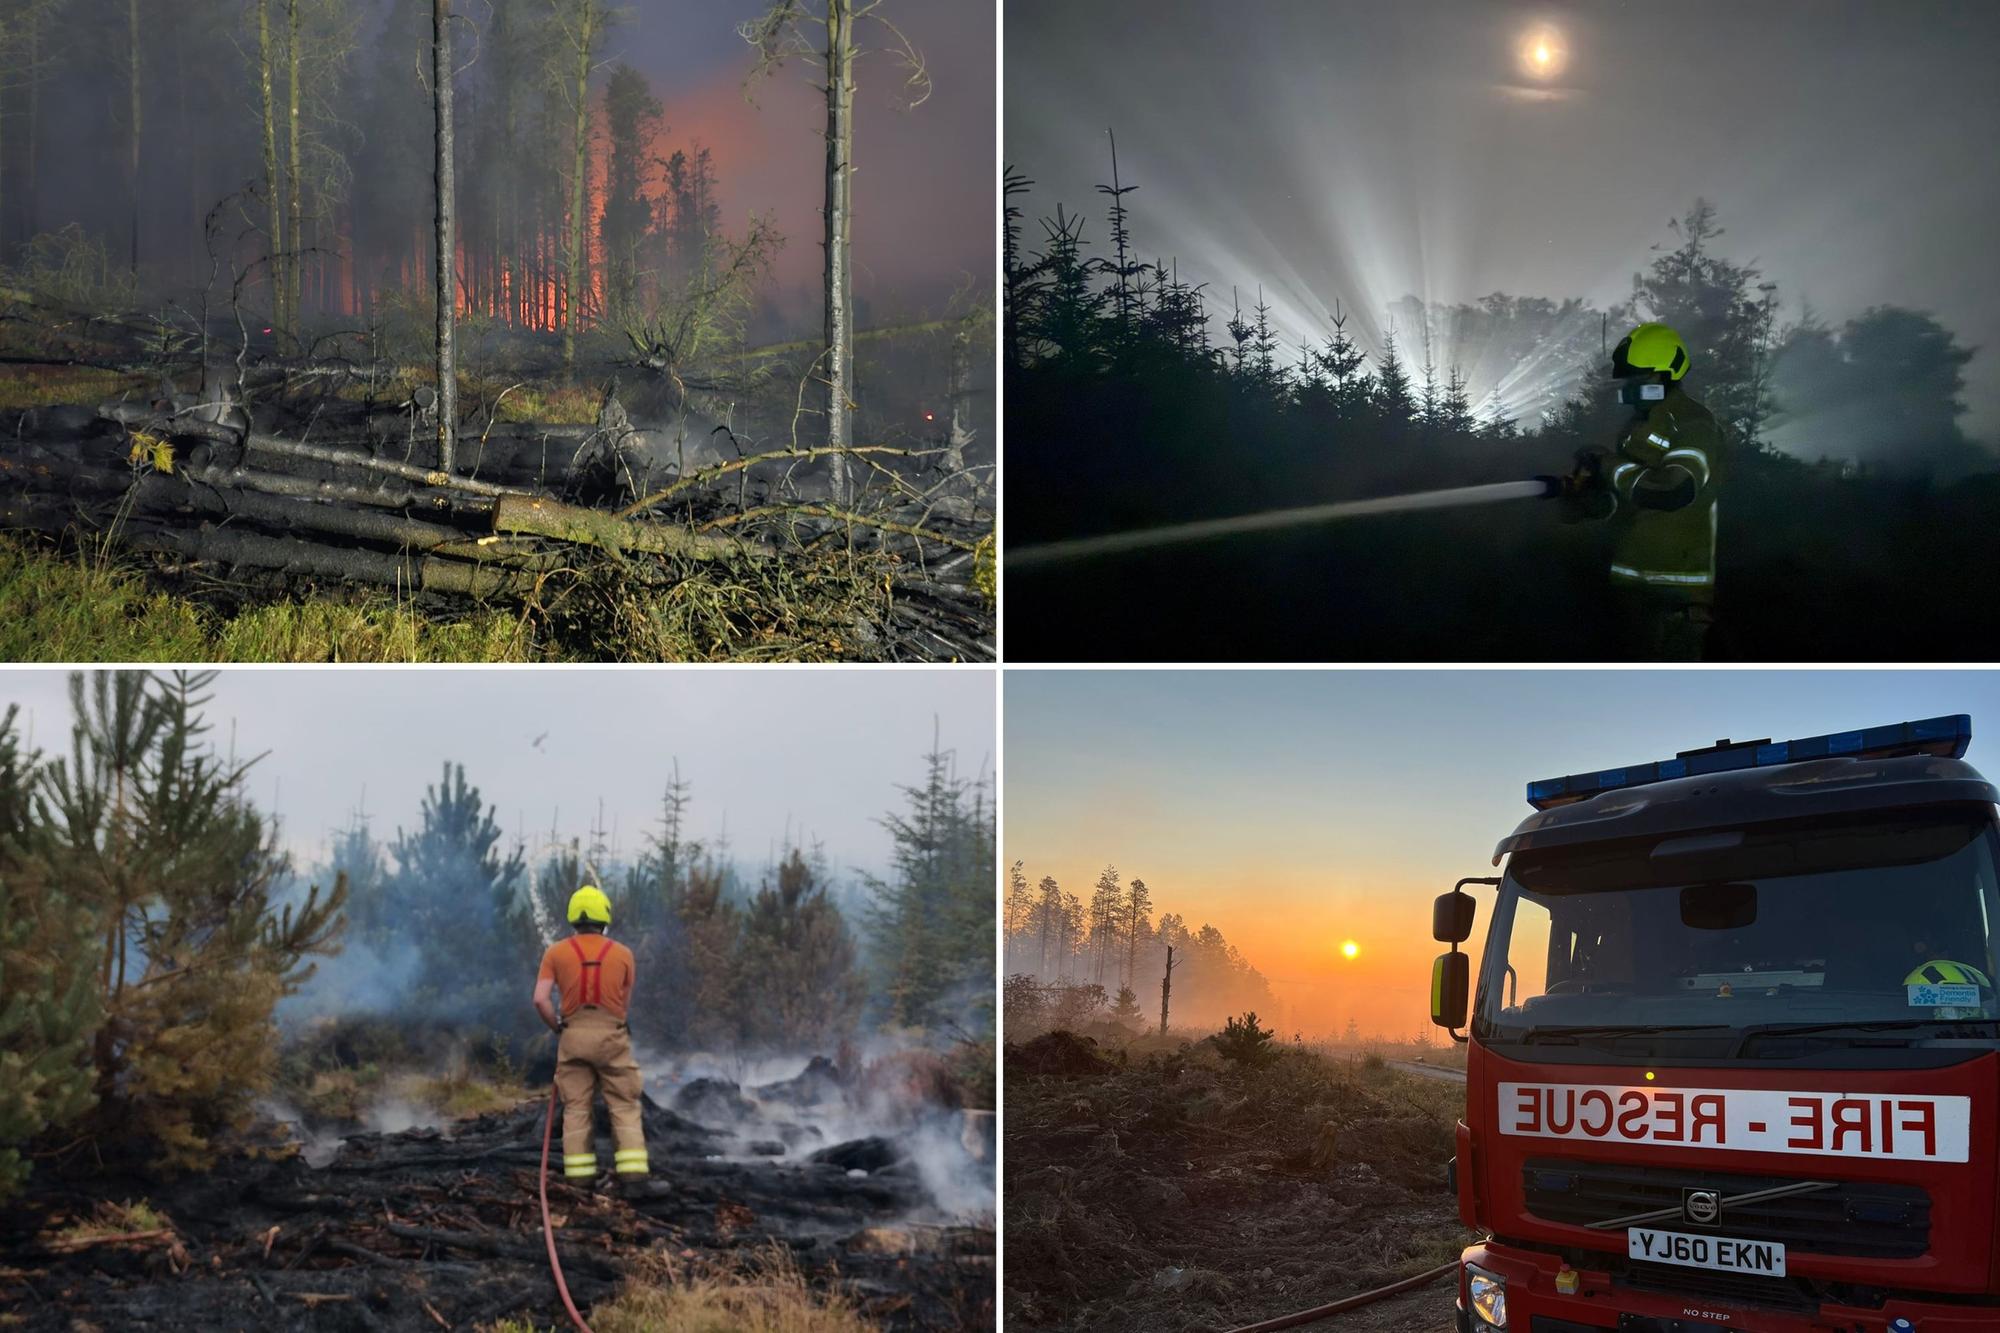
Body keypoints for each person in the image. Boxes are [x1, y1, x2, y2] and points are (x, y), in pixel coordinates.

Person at [1552, 322, 1726, 660]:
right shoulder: (1637, 428)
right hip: (1629, 593)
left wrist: (1607, 464)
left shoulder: (1694, 425)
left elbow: (1671, 491)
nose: (1629, 387)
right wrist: (1585, 500)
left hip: (1675, 601)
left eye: (1637, 378)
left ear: (1664, 375)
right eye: (1627, 378)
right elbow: (1628, 498)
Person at [532, 885, 662, 1198]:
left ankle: (579, 1181)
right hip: (611, 1037)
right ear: (604, 915)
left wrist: (558, 1028)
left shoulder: (555, 952)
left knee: (576, 1108)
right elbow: (623, 1002)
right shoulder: (623, 954)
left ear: (573, 916)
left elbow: (540, 1000)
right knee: (624, 1105)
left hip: (573, 1036)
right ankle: (633, 1178)